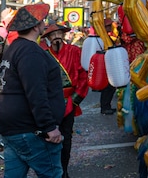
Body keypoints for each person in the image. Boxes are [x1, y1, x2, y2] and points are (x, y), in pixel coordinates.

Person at [0, 4, 65, 178]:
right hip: (29, 128)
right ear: (35, 26)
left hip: (13, 126)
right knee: (52, 174)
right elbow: (35, 92)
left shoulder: (15, 48)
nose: (45, 23)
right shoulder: (30, 51)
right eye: (43, 20)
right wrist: (49, 126)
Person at [42, 23, 88, 178]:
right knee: (48, 137)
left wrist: (76, 99)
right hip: (49, 103)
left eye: (58, 34)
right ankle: (52, 170)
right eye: (52, 35)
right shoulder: (44, 54)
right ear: (48, 38)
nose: (56, 37)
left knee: (66, 137)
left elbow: (83, 75)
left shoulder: (74, 51)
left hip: (69, 101)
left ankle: (64, 170)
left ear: (63, 35)